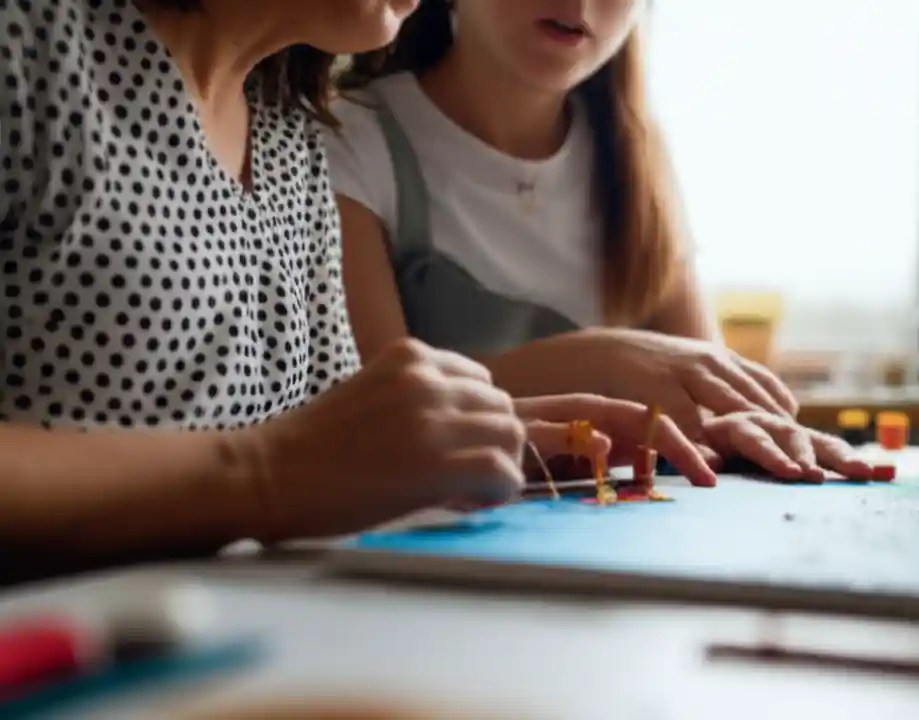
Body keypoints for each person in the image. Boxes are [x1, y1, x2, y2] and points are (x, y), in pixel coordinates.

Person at [0, 0, 716, 584]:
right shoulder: (30, 43)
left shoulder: (288, 136)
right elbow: (284, 464)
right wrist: (265, 475)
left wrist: (513, 435)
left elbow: (332, 437)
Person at [327, 0, 866, 481]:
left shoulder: (636, 156)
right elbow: (368, 407)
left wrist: (750, 431)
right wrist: (600, 361)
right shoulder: (348, 137)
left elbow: (711, 400)